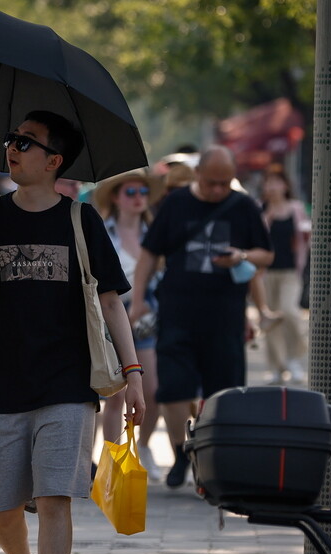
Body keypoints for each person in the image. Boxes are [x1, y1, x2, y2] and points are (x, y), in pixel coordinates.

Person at [0, 111, 144, 554]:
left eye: (26, 142)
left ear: (54, 160)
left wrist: (133, 374)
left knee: (55, 497)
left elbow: (111, 302)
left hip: (69, 383)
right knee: (2, 506)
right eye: (11, 138)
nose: (12, 148)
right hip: (2, 382)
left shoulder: (81, 219)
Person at [129, 146, 273, 489]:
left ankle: (216, 462)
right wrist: (138, 300)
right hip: (177, 313)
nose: (218, 190)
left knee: (224, 393)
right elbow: (150, 254)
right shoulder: (176, 204)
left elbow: (265, 254)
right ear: (198, 176)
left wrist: (241, 255)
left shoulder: (243, 206)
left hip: (225, 317)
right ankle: (181, 453)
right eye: (211, 183)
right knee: (173, 389)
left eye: (225, 183)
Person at [93, 168, 164, 482]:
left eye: (143, 193)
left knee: (150, 389)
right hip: (109, 317)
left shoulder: (155, 232)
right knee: (114, 394)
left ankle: (143, 446)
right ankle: (111, 462)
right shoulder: (102, 230)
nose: (138, 199)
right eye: (130, 192)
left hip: (147, 319)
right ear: (116, 197)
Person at [259, 166, 311, 384]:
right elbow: (257, 238)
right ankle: (278, 367)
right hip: (266, 273)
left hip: (290, 271)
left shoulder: (296, 208)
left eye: (276, 181)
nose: (272, 186)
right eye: (268, 182)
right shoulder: (262, 210)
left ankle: (295, 358)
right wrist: (267, 217)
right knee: (271, 319)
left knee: (289, 312)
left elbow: (304, 237)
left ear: (285, 185)